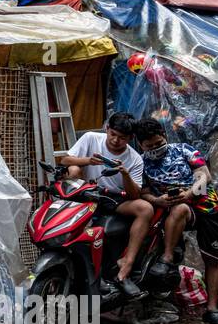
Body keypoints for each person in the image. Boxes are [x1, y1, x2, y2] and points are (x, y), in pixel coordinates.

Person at [132, 118, 218, 324]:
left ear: (165, 136)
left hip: (209, 208)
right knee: (180, 208)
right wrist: (158, 200)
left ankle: (212, 309)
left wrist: (190, 193)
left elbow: (205, 176)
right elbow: (144, 193)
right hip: (177, 210)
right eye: (150, 146)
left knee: (212, 259)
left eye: (159, 143)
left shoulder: (184, 150)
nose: (155, 149)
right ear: (140, 145)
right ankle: (166, 258)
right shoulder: (140, 162)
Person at [57, 112, 151, 298]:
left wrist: (125, 174)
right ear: (107, 129)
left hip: (113, 198)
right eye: (113, 134)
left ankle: (126, 264)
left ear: (130, 138)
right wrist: (88, 161)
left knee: (145, 208)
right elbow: (65, 160)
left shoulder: (134, 159)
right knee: (74, 169)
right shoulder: (91, 138)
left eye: (122, 138)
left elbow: (134, 194)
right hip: (86, 193)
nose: (115, 140)